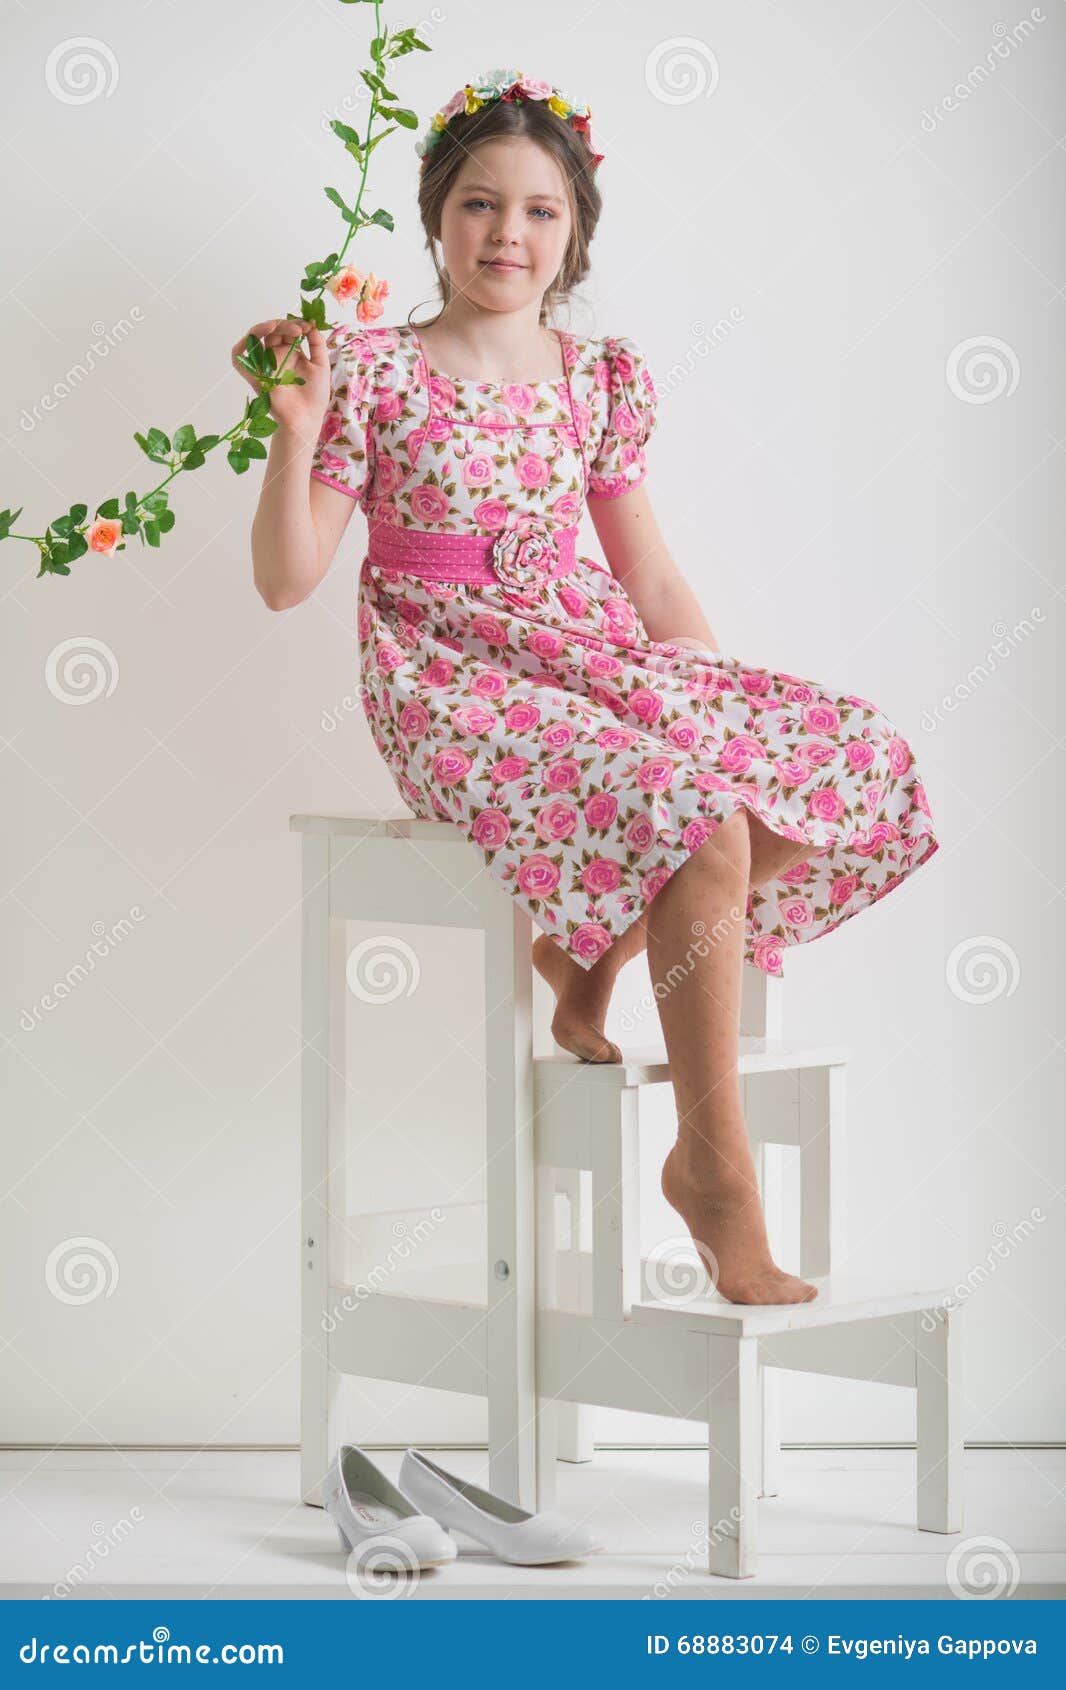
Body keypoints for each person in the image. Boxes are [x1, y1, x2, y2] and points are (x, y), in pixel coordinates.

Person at [237, 69, 940, 1306]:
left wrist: (716, 709)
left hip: (589, 648)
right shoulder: (373, 372)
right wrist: (294, 434)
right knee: (696, 824)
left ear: (575, 231)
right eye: (477, 204)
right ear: (433, 216)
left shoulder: (597, 376)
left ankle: (590, 947)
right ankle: (714, 1175)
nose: (507, 233)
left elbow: (649, 573)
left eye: (539, 211)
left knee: (853, 755)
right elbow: (289, 582)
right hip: (450, 673)